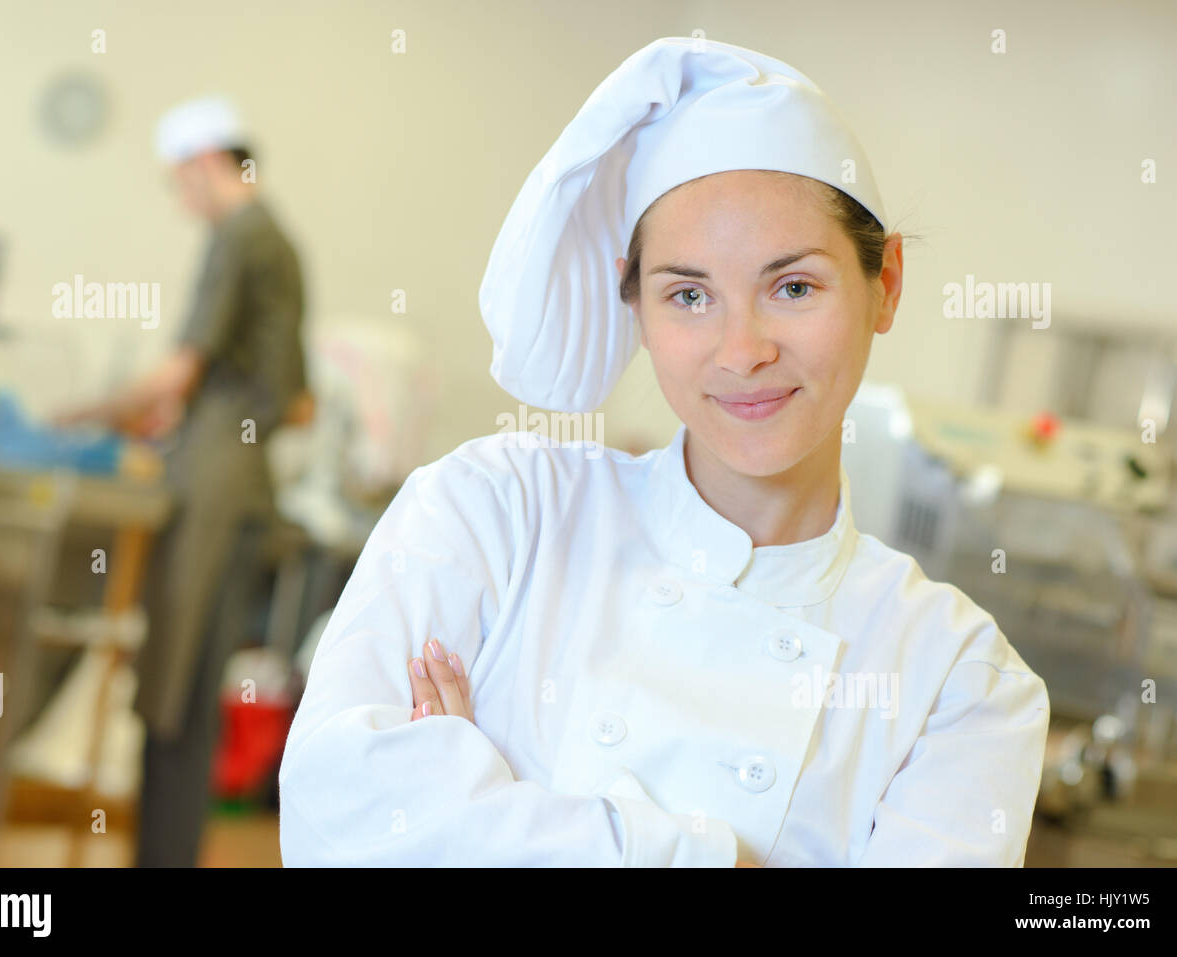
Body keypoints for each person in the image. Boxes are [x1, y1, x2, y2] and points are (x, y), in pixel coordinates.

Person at [277, 37, 1049, 867]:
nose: (742, 351)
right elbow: (335, 815)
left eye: (793, 286)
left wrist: (478, 815)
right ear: (636, 302)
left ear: (886, 283)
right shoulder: (496, 509)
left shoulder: (959, 681)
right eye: (688, 294)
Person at [56, 96, 309, 866]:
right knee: (183, 691)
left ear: (204, 164)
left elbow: (179, 371)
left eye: (179, 182)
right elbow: (295, 400)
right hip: (232, 480)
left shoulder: (241, 234)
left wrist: (86, 412)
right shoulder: (276, 241)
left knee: (175, 697)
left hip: (215, 491)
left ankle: (162, 858)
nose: (181, 201)